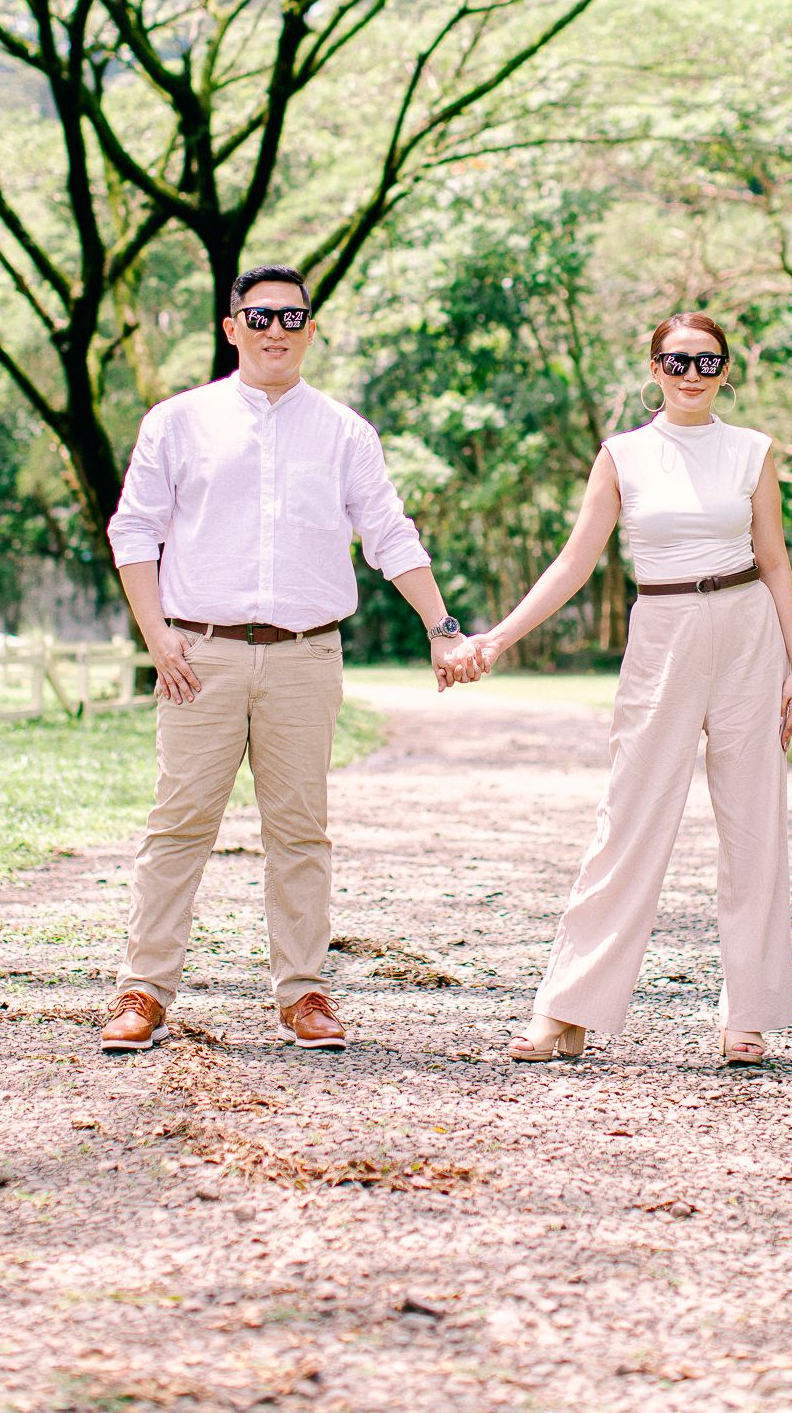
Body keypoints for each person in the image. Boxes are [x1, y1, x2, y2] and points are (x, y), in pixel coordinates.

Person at [101, 265, 480, 1055]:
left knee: (300, 832)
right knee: (177, 826)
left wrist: (440, 625)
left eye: (292, 316)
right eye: (260, 315)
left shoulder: (343, 432)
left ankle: (304, 992)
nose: (277, 328)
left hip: (307, 657)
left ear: (310, 330)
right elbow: (133, 530)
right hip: (196, 655)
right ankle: (144, 990)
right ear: (231, 326)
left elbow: (389, 535)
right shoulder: (177, 421)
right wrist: (155, 635)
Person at [471, 310, 792, 1067]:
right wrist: (498, 637)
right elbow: (572, 563)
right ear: (653, 368)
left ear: (726, 370)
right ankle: (567, 1011)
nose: (692, 375)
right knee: (628, 821)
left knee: (754, 826)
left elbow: (774, 558)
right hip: (661, 631)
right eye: (677, 361)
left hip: (747, 629)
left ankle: (745, 1014)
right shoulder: (622, 455)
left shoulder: (751, 451)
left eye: (707, 362)